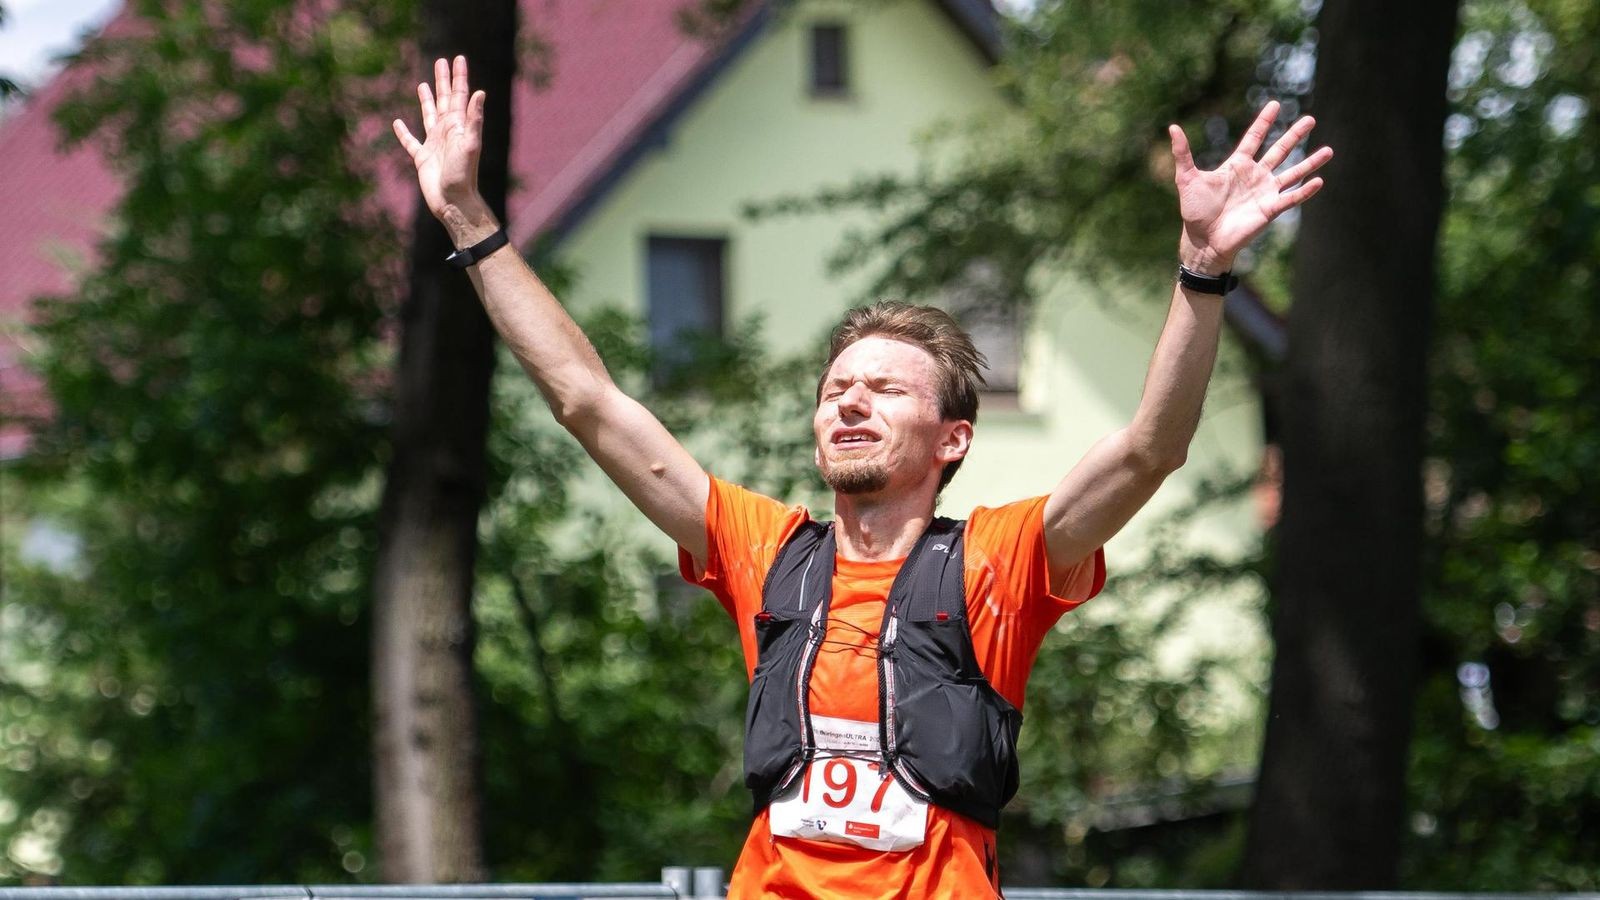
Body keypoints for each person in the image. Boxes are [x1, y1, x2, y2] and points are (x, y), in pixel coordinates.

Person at [394, 55, 1331, 899]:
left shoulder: (994, 565)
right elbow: (590, 404)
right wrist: (469, 220)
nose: (850, 402)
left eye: (885, 389)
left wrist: (1202, 270)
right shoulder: (764, 551)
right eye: (837, 387)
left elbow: (1147, 450)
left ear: (952, 439)